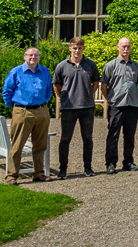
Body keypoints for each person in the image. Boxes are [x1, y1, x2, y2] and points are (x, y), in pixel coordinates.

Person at [1, 47, 52, 184]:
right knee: (17, 145)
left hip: (41, 111)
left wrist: (42, 104)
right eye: (30, 55)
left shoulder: (45, 71)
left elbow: (48, 91)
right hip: (22, 111)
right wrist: (16, 107)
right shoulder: (16, 71)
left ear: (39, 57)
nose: (33, 57)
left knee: (40, 144)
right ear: (24, 56)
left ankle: (38, 173)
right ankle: (12, 175)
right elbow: (7, 92)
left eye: (36, 55)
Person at [52, 37, 100, 179]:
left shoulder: (90, 65)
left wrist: (88, 94)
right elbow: (56, 85)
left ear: (83, 48)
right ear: (70, 48)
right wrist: (64, 98)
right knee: (65, 138)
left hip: (87, 107)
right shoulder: (62, 66)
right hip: (69, 108)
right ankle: (63, 169)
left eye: (79, 48)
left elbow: (96, 82)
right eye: (74, 48)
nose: (77, 50)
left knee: (87, 138)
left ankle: (88, 167)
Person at [102, 38, 138, 174]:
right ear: (118, 47)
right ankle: (111, 163)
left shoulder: (135, 66)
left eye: (128, 47)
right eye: (123, 47)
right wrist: (110, 99)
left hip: (132, 105)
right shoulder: (110, 65)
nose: (126, 49)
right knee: (113, 135)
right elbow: (104, 86)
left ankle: (128, 161)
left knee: (130, 136)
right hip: (116, 106)